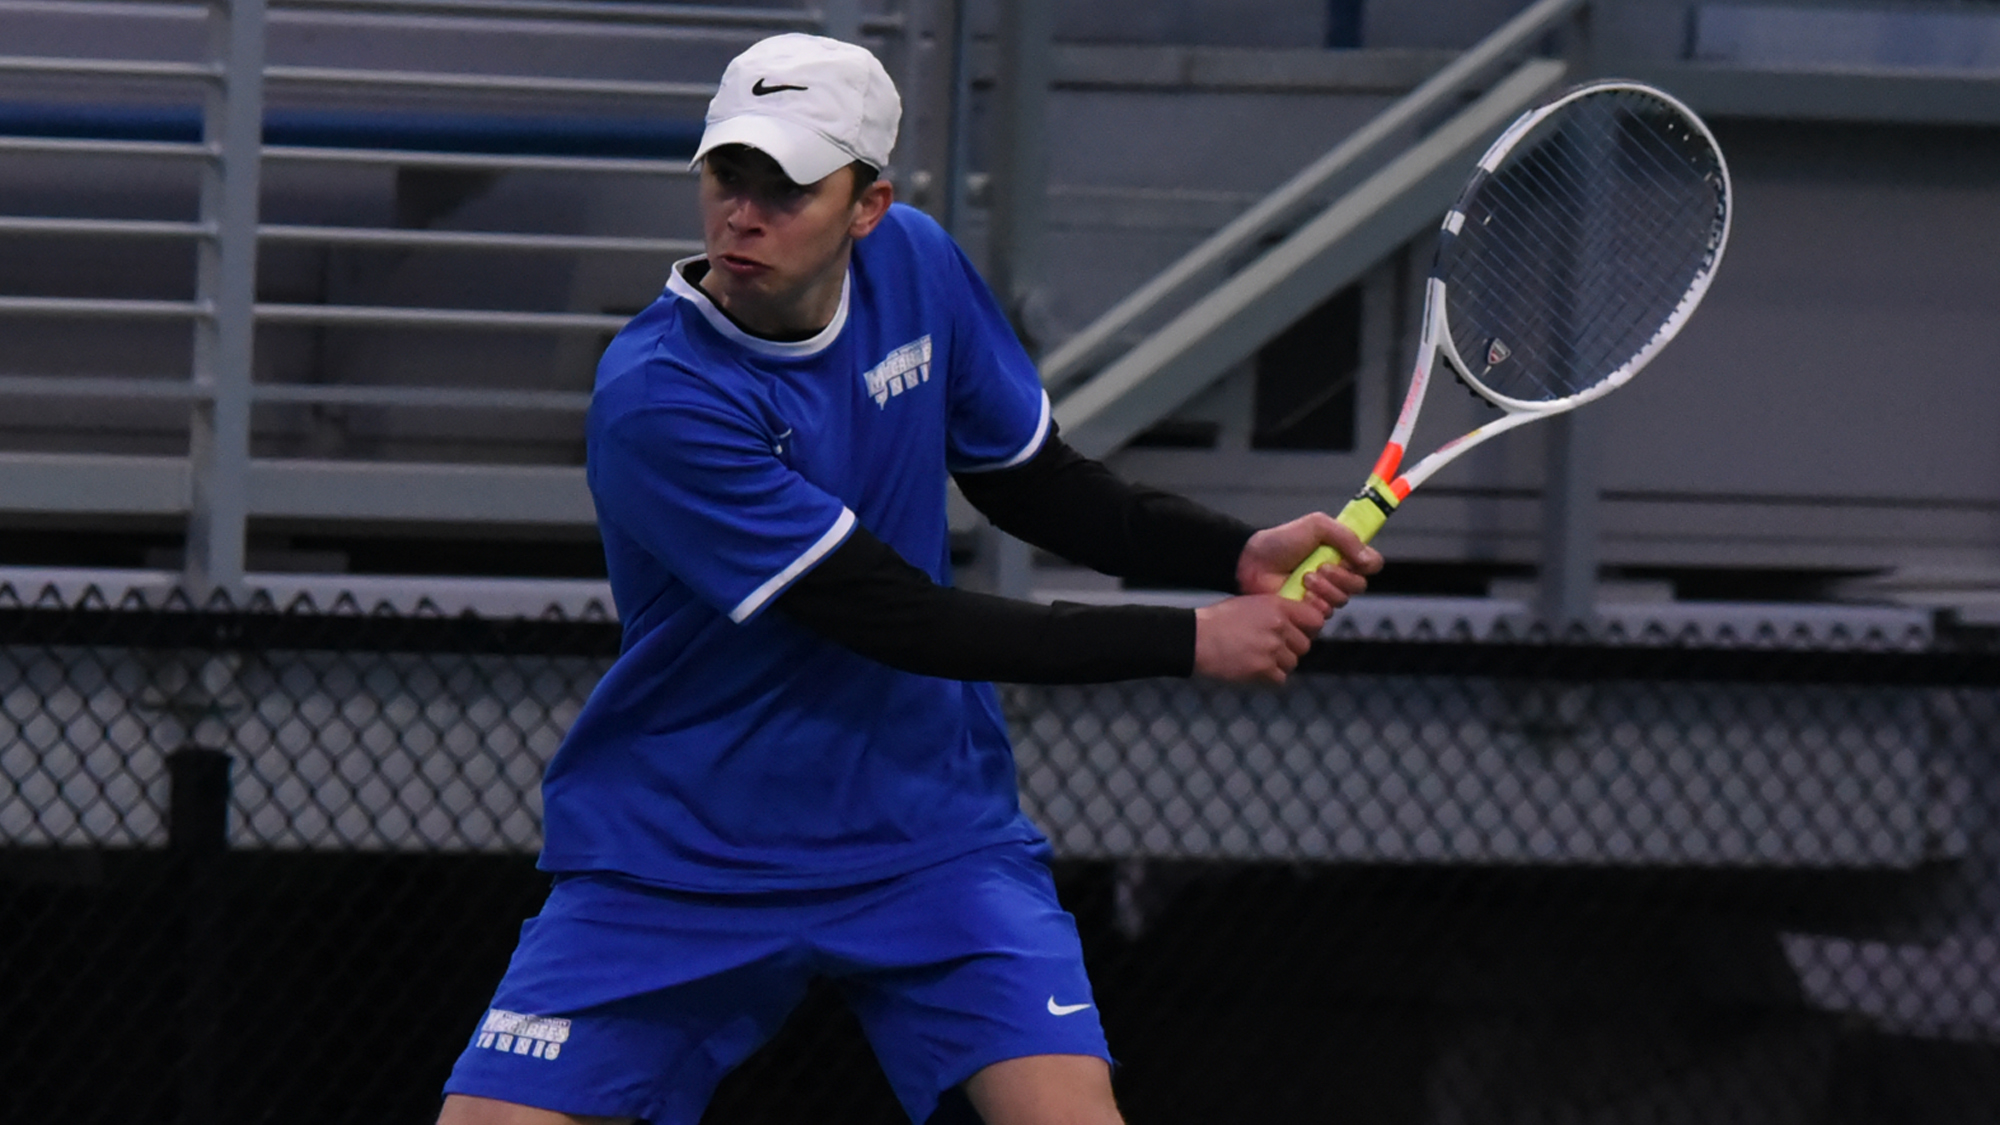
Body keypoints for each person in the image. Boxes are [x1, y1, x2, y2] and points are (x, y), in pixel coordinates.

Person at [438, 32, 1380, 1125]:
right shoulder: (658, 397)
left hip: (928, 839)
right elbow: (894, 617)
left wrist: (1232, 553)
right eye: (726, 176)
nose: (743, 216)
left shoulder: (917, 266)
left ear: (869, 206)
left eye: (786, 187)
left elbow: (1036, 484)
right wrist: (1189, 639)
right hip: (680, 854)